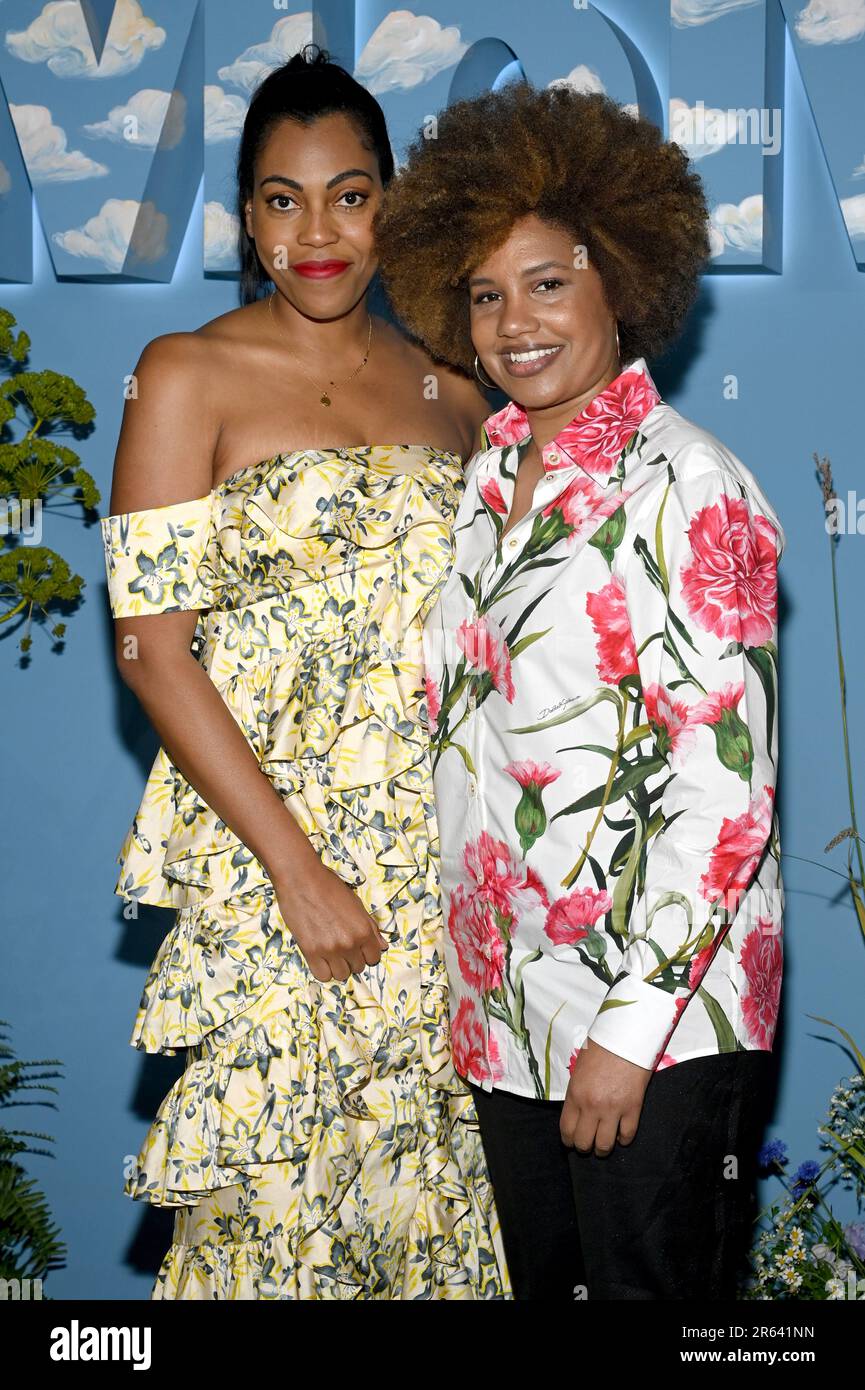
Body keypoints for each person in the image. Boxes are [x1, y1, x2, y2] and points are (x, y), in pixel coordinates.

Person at [100, 46, 510, 1300]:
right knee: (278, 1233)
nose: (318, 230)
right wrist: (298, 872)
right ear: (245, 218)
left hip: (444, 887)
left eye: (350, 193)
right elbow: (154, 654)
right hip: (282, 885)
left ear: (395, 204)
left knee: (432, 1223)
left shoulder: (454, 387)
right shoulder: (187, 374)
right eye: (283, 198)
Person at [375, 81, 784, 1301]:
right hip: (507, 1019)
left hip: (653, 1028)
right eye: (486, 293)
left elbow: (725, 796)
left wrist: (624, 1033)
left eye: (547, 281)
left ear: (622, 279)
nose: (513, 322)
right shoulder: (487, 480)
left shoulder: (690, 488)